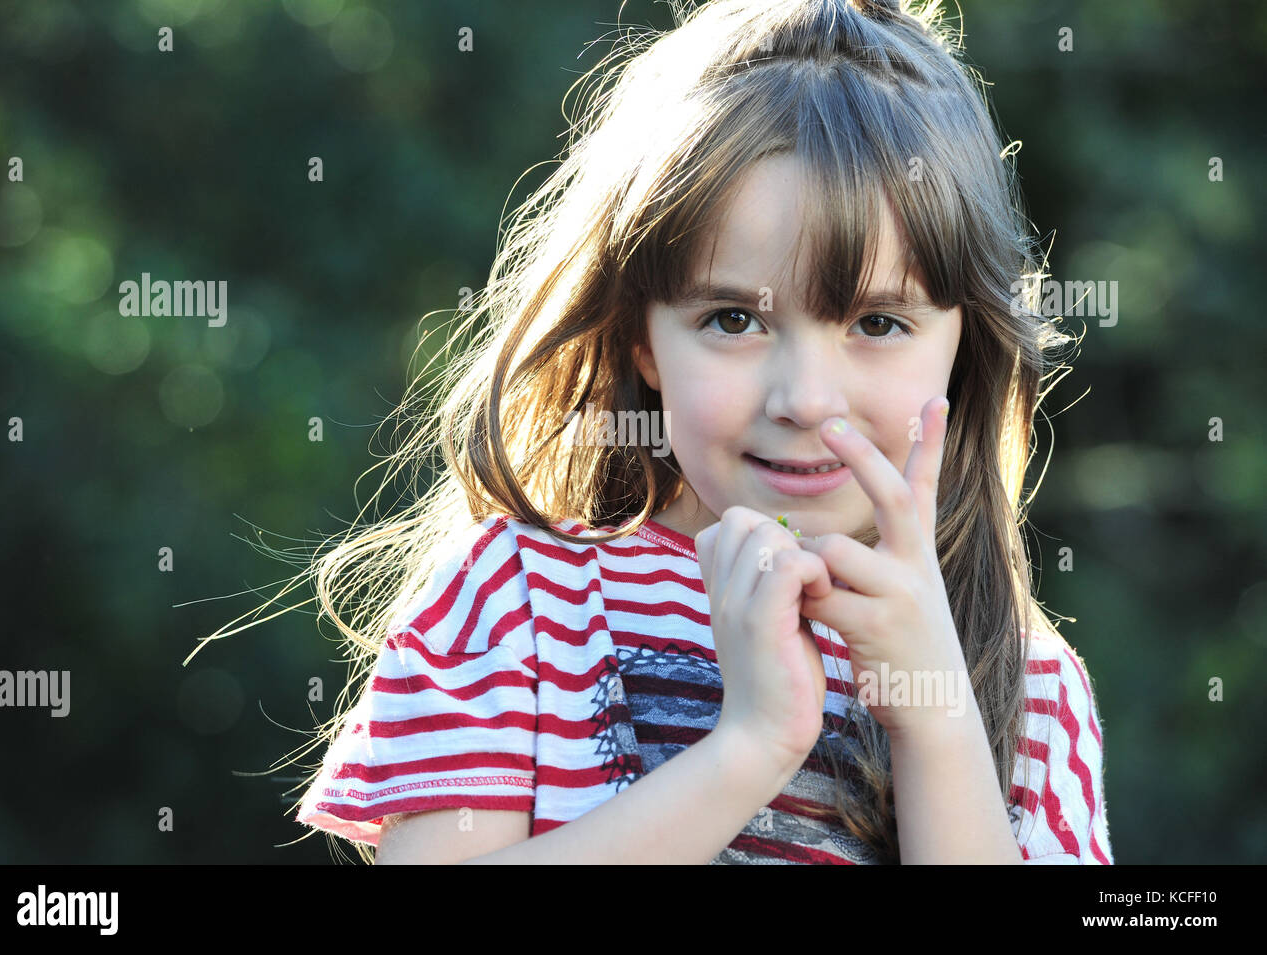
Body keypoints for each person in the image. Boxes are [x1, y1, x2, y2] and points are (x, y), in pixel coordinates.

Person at [283, 0, 1113, 863]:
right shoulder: (517, 603)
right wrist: (750, 746)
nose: (804, 398)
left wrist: (936, 718)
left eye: (875, 323)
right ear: (644, 336)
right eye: (731, 320)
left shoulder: (1025, 684)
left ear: (964, 342)